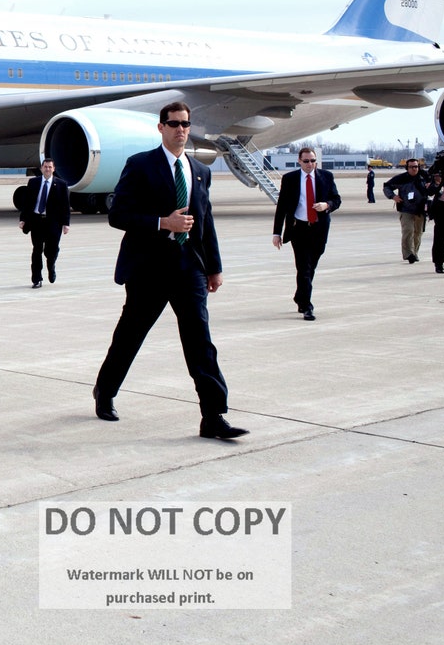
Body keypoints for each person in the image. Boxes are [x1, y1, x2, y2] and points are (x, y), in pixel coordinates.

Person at [92, 102, 248, 440]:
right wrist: (163, 222)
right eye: (174, 124)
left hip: (189, 267)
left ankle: (213, 416)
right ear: (161, 128)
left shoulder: (200, 171)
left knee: (200, 342)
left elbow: (205, 222)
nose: (180, 129)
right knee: (130, 336)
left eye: (185, 124)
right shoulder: (141, 165)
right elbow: (118, 214)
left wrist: (214, 267)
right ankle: (105, 391)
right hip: (148, 268)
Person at [271, 148, 341, 321]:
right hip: (298, 229)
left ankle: (300, 296)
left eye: (313, 161)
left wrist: (327, 205)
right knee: (304, 268)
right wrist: (276, 233)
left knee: (311, 266)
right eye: (306, 161)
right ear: (299, 161)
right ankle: (307, 306)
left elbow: (337, 199)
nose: (310, 164)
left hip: (319, 228)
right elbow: (282, 207)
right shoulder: (290, 179)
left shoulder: (326, 176)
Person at [18, 158, 70, 288]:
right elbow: (27, 203)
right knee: (37, 250)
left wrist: (66, 223)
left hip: (53, 223)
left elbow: (65, 206)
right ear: (41, 168)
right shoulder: (33, 182)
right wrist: (23, 219)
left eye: (50, 167)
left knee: (51, 251)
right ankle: (37, 279)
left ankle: (51, 266)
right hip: (37, 220)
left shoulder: (61, 185)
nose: (47, 169)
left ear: (54, 169)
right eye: (45, 167)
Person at [383, 159, 429, 263]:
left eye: (416, 167)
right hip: (406, 209)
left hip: (420, 210)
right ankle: (409, 254)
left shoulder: (424, 177)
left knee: (418, 233)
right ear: (407, 168)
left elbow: (434, 187)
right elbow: (387, 186)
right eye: (411, 167)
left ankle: (415, 252)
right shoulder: (401, 178)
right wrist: (393, 196)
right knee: (408, 231)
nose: (414, 169)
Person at [427, 171, 444, 274]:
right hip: (442, 210)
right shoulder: (440, 174)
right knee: (440, 239)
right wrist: (438, 183)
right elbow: (430, 191)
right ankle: (438, 263)